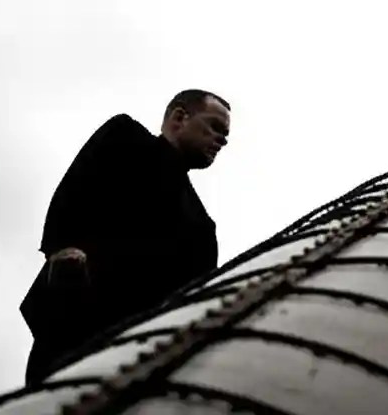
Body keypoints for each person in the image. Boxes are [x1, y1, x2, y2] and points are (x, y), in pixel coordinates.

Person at [19, 89, 231, 384]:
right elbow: (75, 191)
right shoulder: (125, 138)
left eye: (226, 135)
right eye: (214, 126)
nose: (222, 140)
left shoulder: (203, 229)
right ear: (180, 117)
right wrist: (62, 252)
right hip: (70, 323)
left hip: (135, 358)